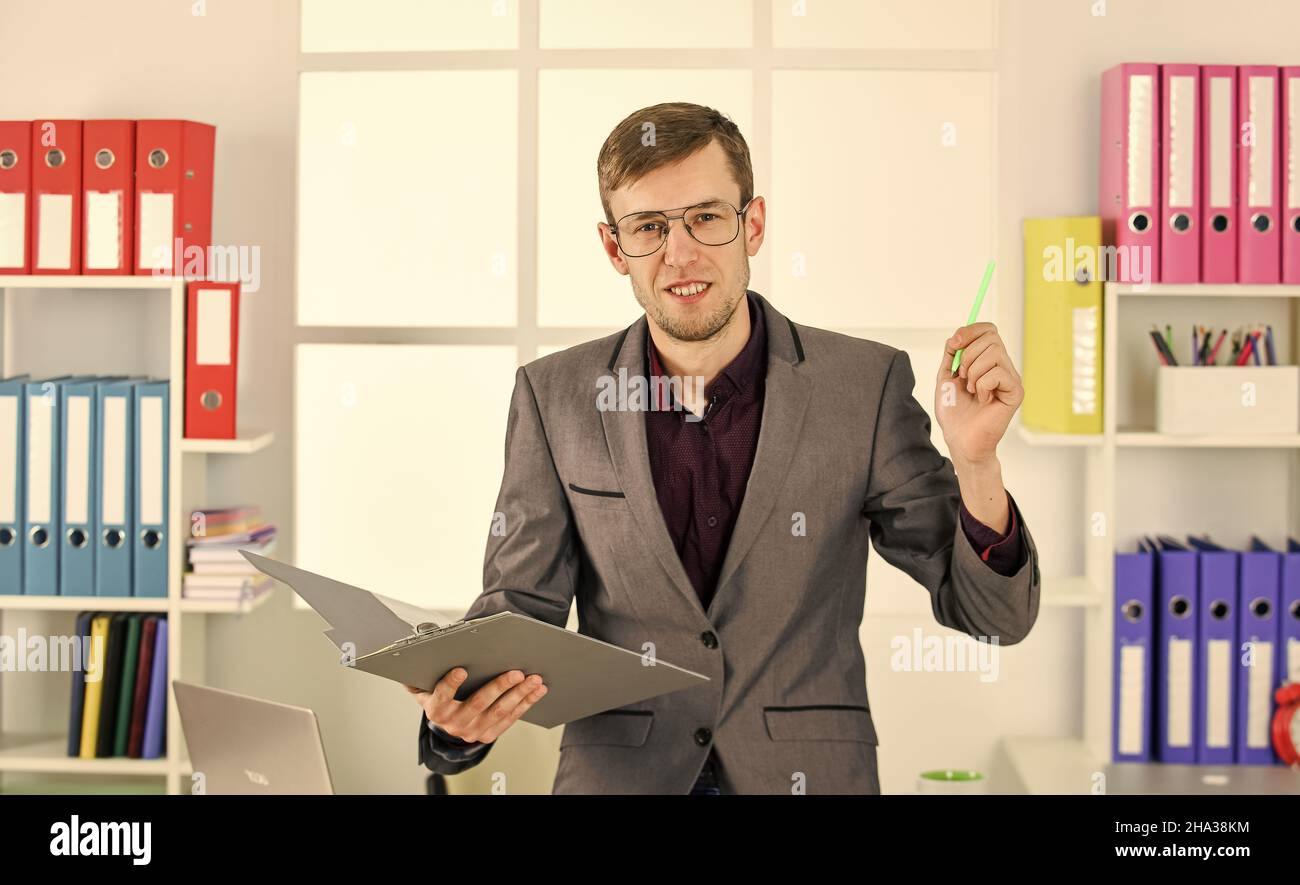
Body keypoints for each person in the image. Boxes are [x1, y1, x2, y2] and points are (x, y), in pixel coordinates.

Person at [406, 101, 1039, 794]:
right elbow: (519, 608)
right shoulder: (553, 396)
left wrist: (976, 463)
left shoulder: (864, 388)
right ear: (615, 248)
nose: (680, 253)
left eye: (706, 217)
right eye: (649, 227)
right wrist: (456, 714)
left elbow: (994, 618)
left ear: (753, 225)